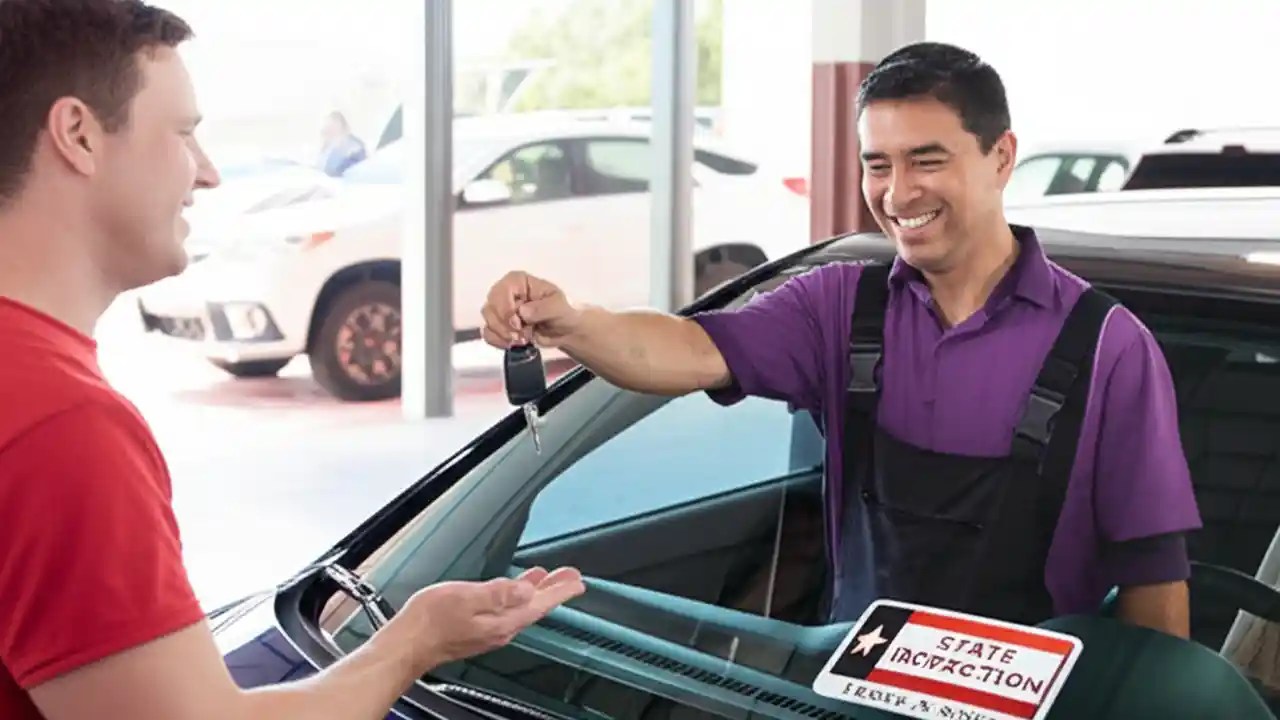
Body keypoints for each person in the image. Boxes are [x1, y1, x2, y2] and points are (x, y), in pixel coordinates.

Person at [481, 42, 1202, 637]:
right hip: (851, 698)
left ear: (1001, 157)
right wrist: (571, 322)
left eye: (926, 160)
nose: (897, 193)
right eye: (876, 163)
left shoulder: (1109, 347)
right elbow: (682, 349)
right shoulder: (838, 308)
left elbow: (1153, 584)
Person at [0, 2, 585, 720]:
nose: (208, 174)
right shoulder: (61, 427)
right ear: (79, 135)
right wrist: (412, 644)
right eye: (184, 133)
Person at [318, 111, 367, 177]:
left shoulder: (355, 145)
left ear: (340, 124)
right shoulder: (328, 146)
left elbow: (355, 169)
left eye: (332, 125)